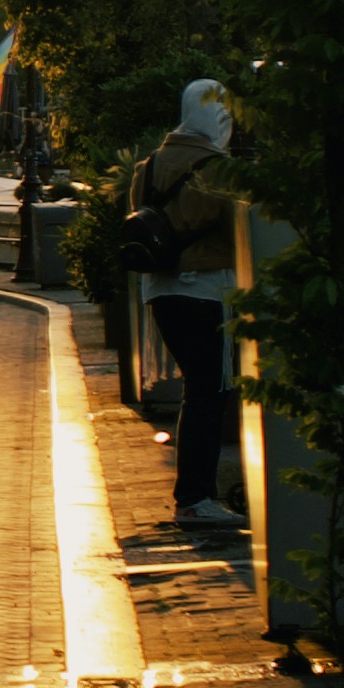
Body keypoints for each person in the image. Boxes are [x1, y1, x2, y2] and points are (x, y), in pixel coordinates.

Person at [132, 79, 242, 534]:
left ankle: (194, 496)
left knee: (196, 390)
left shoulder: (150, 164)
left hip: (161, 292)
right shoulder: (216, 167)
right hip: (206, 294)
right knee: (210, 392)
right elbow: (237, 227)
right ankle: (196, 498)